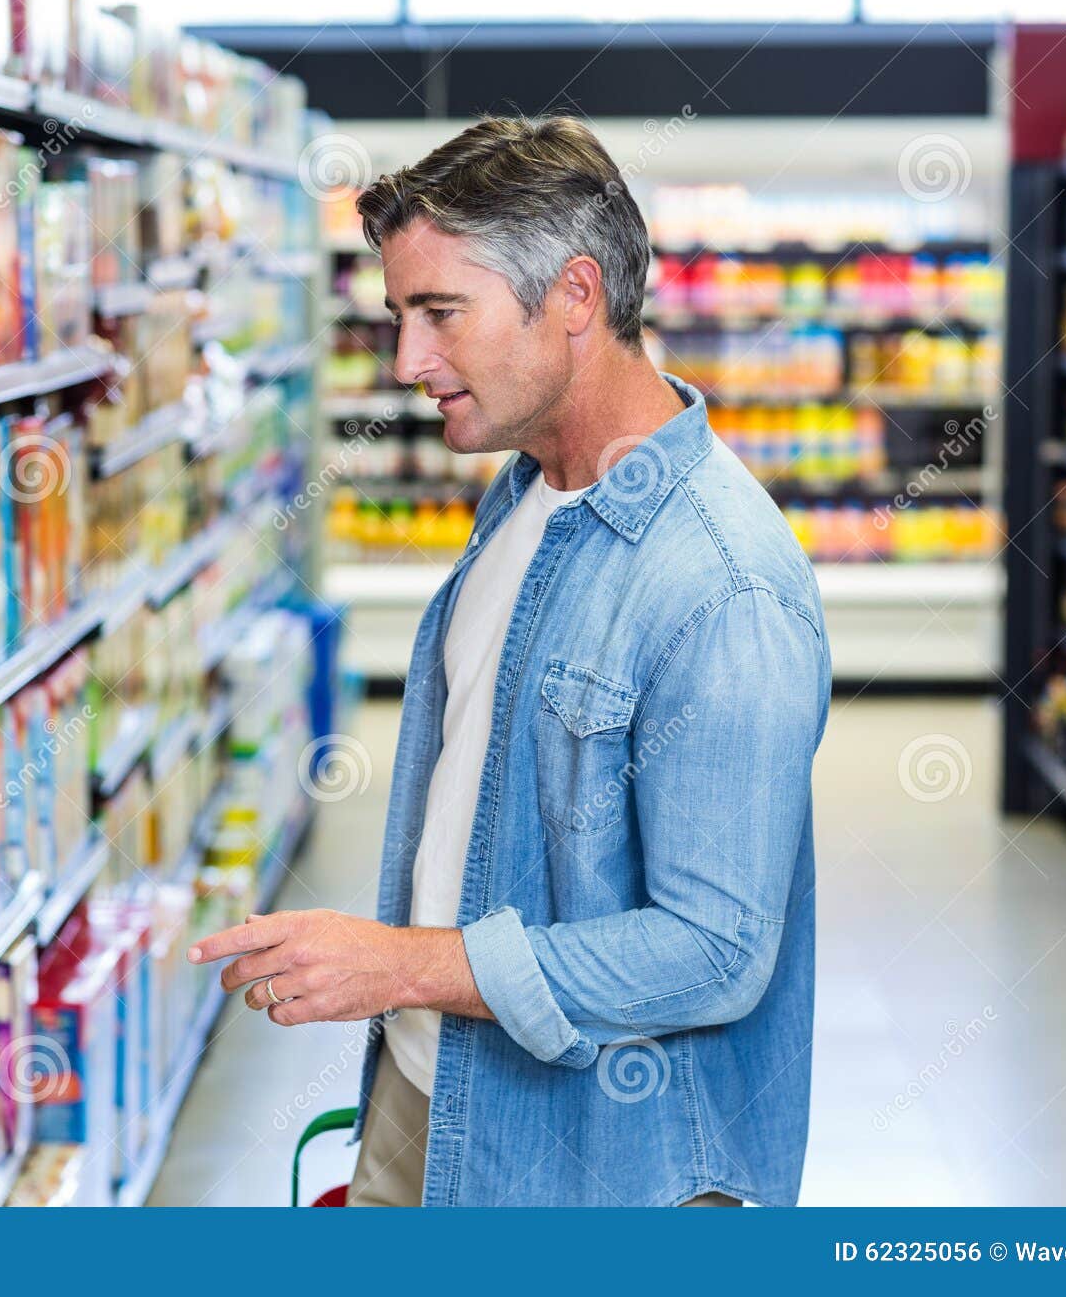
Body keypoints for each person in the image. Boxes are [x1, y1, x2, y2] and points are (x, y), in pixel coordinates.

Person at [189, 115, 830, 1207]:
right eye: (398, 316)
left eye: (441, 313)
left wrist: (401, 963)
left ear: (575, 295)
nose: (407, 361)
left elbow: (716, 952)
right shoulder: (527, 489)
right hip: (435, 1090)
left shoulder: (723, 586)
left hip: (599, 1166)